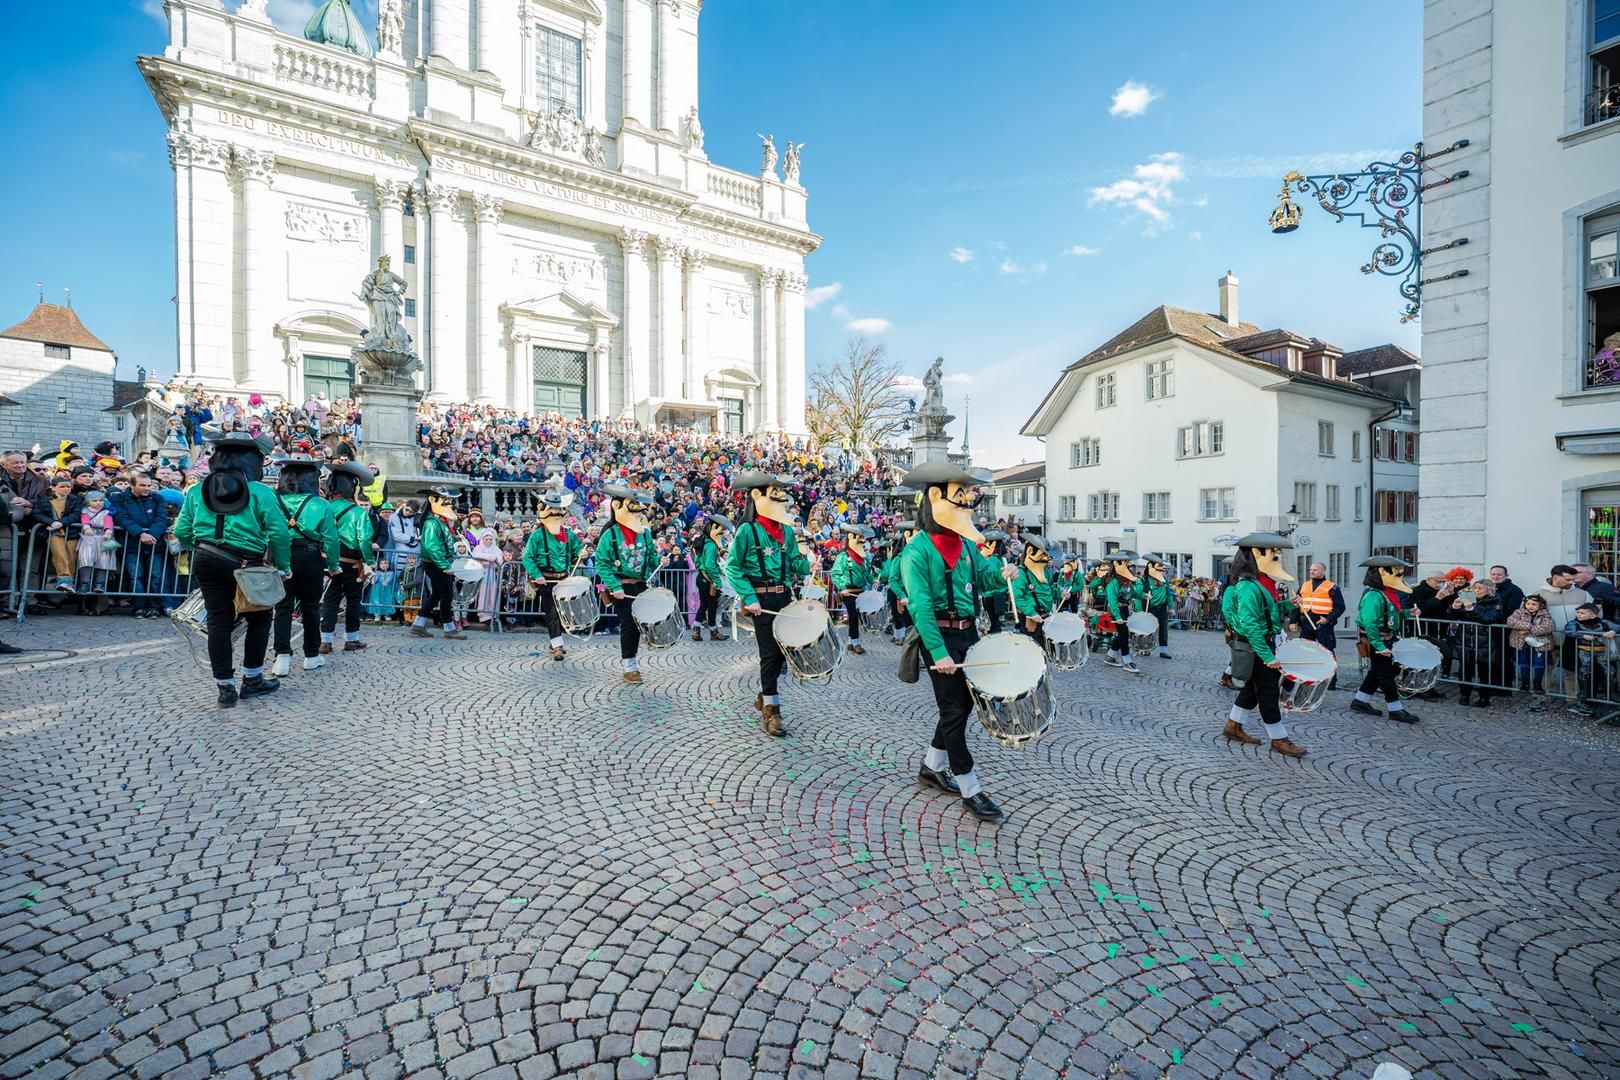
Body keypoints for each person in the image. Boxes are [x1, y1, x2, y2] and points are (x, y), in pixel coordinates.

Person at [896, 462, 1019, 822]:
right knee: (954, 710)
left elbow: (985, 578)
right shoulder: (916, 551)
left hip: (968, 633)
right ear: (936, 496)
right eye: (960, 496)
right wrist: (937, 653)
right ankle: (970, 787)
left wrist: (1003, 571)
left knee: (961, 707)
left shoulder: (965, 545)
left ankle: (931, 767)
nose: (968, 504)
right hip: (941, 636)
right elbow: (920, 607)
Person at [172, 431, 290, 708]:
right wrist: (283, 566)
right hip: (247, 561)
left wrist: (201, 547)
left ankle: (225, 688)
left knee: (218, 621)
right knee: (259, 619)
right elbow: (279, 533)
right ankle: (252, 680)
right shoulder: (261, 491)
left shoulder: (198, 489)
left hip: (205, 556)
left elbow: (181, 530)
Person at [725, 472, 814, 732]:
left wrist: (808, 565)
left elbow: (794, 563)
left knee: (782, 655)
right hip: (760, 599)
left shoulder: (786, 530)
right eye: (773, 491)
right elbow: (733, 568)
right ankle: (772, 712)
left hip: (783, 597)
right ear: (758, 496)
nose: (780, 496)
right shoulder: (747, 530)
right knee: (770, 654)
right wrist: (749, 597)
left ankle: (764, 696)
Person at [1219, 533, 1307, 757]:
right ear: (1255, 555)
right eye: (1273, 553)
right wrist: (1267, 656)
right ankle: (1279, 739)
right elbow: (1250, 625)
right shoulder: (1248, 587)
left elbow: (1268, 613)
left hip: (1260, 645)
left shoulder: (1257, 584)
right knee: (1267, 693)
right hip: (1257, 648)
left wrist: (1288, 604)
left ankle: (1233, 726)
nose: (1277, 557)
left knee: (1251, 690)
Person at [269, 450, 340, 677]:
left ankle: (282, 657)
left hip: (279, 556)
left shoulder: (273, 500)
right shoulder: (321, 504)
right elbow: (331, 538)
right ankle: (311, 655)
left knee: (282, 608)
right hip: (309, 557)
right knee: (310, 608)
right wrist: (333, 564)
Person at [595, 483, 661, 684]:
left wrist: (660, 561)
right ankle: (629, 666)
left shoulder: (645, 533)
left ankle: (632, 662)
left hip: (639, 584)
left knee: (639, 624)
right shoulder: (610, 534)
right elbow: (601, 563)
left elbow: (651, 558)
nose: (638, 507)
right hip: (621, 585)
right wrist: (614, 587)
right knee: (628, 624)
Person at [1352, 556, 1419, 724]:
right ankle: (1395, 709)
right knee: (1386, 674)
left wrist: (1407, 613)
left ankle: (1360, 701)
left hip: (1385, 638)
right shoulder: (1373, 595)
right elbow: (1369, 622)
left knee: (1377, 671)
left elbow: (1391, 614)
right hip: (1376, 640)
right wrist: (1379, 646)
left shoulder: (1387, 593)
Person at [320, 461, 376, 654]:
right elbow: (364, 540)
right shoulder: (359, 513)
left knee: (330, 599)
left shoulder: (324, 506)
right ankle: (351, 639)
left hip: (326, 559)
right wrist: (370, 562)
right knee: (353, 600)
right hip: (351, 562)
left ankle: (325, 640)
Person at [521, 491, 584, 661]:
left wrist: (582, 552)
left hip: (563, 579)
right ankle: (557, 646)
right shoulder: (537, 535)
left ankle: (554, 639)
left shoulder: (569, 535)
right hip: (546, 580)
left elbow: (577, 550)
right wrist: (536, 575)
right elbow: (527, 558)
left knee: (563, 613)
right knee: (552, 613)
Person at [108, 471, 172, 618]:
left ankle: (154, 607)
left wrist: (152, 534)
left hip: (155, 543)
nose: (147, 488)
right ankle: (139, 606)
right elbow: (121, 518)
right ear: (132, 485)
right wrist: (140, 533)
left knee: (155, 576)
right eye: (142, 485)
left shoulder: (158, 498)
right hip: (131, 544)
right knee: (136, 576)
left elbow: (162, 519)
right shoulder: (119, 499)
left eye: (149, 485)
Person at [409, 486, 467, 640]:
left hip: (437, 563)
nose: (449, 505)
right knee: (446, 595)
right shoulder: (432, 522)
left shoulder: (438, 521)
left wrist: (455, 539)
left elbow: (440, 541)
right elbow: (431, 547)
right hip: (436, 564)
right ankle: (449, 628)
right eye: (445, 501)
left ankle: (418, 625)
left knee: (436, 594)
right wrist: (445, 566)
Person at [1453, 578, 1505, 708]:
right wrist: (1454, 607)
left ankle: (1484, 698)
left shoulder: (1495, 602)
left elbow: (1489, 618)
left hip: (1485, 642)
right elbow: (1452, 615)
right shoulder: (1469, 598)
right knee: (1465, 670)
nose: (1476, 591)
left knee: (1484, 670)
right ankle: (1464, 695)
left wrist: (1471, 609)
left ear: (1489, 589)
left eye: (1479, 588)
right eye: (1475, 588)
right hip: (1465, 640)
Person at [28, 474, 82, 593]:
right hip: (52, 532)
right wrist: (52, 522)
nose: (66, 489)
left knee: (72, 557)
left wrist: (61, 523)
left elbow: (76, 514)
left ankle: (70, 582)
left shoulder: (75, 499)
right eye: (62, 486)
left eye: (68, 486)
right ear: (53, 487)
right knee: (59, 554)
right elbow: (37, 514)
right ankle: (64, 579)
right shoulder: (43, 499)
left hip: (70, 532)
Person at [1295, 562, 1345, 689]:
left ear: (1323, 572)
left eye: (1315, 570)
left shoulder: (1332, 587)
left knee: (1327, 652)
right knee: (1305, 651)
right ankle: (1306, 678)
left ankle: (1331, 682)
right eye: (1311, 569)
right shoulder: (1304, 586)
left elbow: (1340, 607)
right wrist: (1292, 621)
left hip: (1323, 624)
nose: (1311, 572)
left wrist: (1328, 620)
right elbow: (1296, 604)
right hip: (1306, 623)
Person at [1564, 603, 1618, 719]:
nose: (1579, 615)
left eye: (1582, 613)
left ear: (1593, 615)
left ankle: (1613, 693)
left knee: (1610, 670)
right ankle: (1584, 692)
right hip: (1584, 650)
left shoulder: (1603, 622)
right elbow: (1568, 630)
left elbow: (1617, 626)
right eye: (1578, 612)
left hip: (1601, 650)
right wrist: (1582, 636)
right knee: (1584, 671)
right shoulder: (1574, 623)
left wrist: (1613, 632)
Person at [830, 523, 875, 655]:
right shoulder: (843, 556)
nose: (863, 540)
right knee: (854, 617)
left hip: (860, 591)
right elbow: (835, 574)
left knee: (856, 617)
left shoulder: (864, 557)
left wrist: (874, 581)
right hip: (848, 592)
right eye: (859, 537)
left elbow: (867, 573)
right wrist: (842, 588)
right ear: (851, 537)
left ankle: (850, 642)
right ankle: (856, 643)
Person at [1008, 532, 1058, 646]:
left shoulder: (1045, 571)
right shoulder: (1021, 573)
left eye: (1047, 556)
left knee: (1045, 651)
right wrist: (1032, 612)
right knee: (1033, 650)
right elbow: (1016, 597)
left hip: (1045, 618)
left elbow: (1050, 590)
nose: (1046, 560)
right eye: (1043, 555)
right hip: (1030, 619)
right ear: (1030, 552)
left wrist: (1061, 594)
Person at [1506, 595, 1555, 710]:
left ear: (1540, 605)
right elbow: (1510, 621)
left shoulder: (1545, 614)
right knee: (1524, 662)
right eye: (1528, 604)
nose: (1530, 606)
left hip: (1540, 644)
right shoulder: (1519, 612)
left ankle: (1537, 683)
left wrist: (1529, 629)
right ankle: (1525, 682)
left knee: (1539, 663)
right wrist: (1529, 625)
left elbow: (1547, 627)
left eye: (1534, 604)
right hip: (1522, 643)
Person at [691, 514, 731, 641]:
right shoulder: (711, 545)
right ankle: (714, 632)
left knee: (704, 605)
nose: (724, 533)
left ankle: (696, 630)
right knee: (712, 606)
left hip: (701, 577)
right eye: (722, 530)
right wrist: (717, 580)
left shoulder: (703, 542)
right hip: (708, 580)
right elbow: (709, 564)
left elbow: (700, 562)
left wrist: (719, 571)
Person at [1103, 552, 1142, 674]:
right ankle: (1127, 660)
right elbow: (1113, 601)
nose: (1130, 567)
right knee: (1123, 635)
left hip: (1125, 610)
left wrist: (1145, 595)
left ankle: (1110, 656)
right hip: (1117, 611)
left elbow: (1134, 594)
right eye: (1127, 564)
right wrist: (1118, 616)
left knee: (1122, 634)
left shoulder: (1127, 582)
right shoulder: (1113, 583)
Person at [75, 491, 118, 596]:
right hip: (88, 537)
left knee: (104, 561)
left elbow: (109, 521)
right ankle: (84, 582)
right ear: (88, 502)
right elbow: (85, 520)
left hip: (106, 538)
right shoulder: (84, 511)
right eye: (94, 500)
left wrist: (108, 531)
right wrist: (86, 527)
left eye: (100, 500)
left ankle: (100, 584)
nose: (98, 503)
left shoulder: (107, 512)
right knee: (86, 559)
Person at [976, 530, 1011, 632]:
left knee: (993, 624)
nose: (982, 547)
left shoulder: (991, 560)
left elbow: (988, 580)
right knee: (995, 623)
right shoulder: (998, 559)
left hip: (992, 595)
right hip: (998, 595)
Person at [1140, 557, 1174, 660]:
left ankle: (1163, 651)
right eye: (1159, 566)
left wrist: (1171, 607)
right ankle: (1146, 648)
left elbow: (1168, 594)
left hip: (1162, 608)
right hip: (1150, 607)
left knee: (1163, 629)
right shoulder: (1144, 580)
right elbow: (1137, 594)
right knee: (1149, 629)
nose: (1162, 569)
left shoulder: (1164, 581)